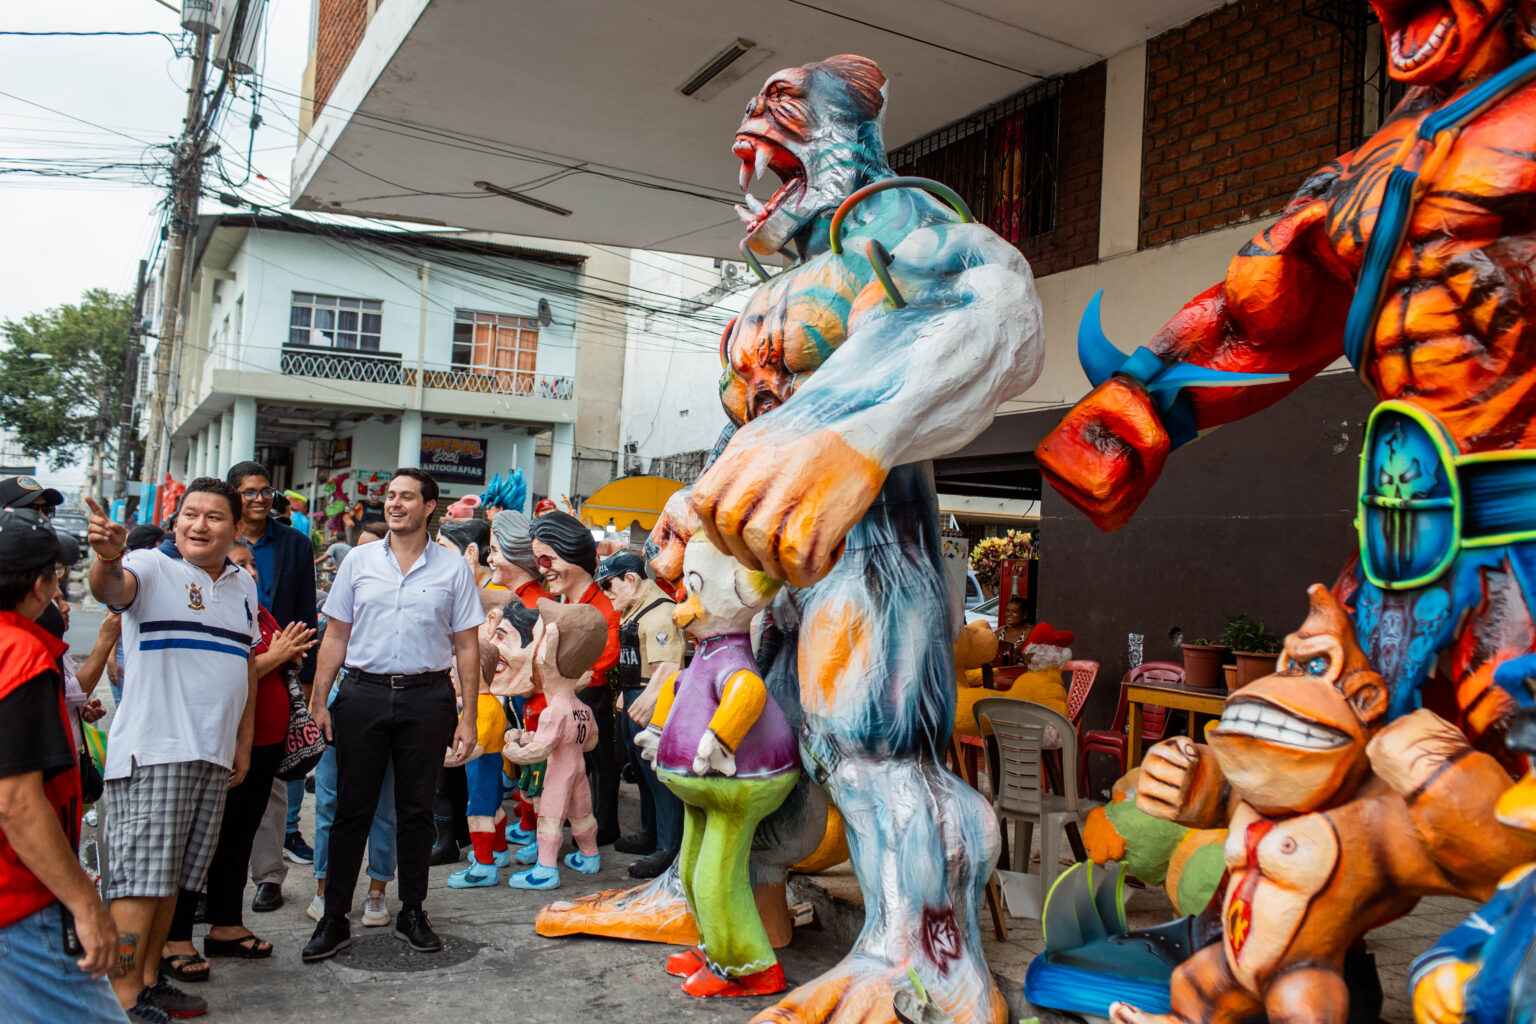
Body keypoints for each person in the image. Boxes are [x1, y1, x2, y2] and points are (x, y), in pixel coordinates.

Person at [85, 483, 258, 1022]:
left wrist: (242, 743)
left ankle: (148, 979)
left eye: (212, 517)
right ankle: (121, 998)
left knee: (175, 881)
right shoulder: (150, 566)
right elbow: (110, 586)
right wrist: (108, 555)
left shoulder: (243, 585)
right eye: (189, 515)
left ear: (235, 528)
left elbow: (244, 666)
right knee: (140, 880)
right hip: (155, 752)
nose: (198, 525)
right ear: (175, 520)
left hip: (210, 754)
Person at [302, 467, 483, 962]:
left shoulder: (452, 569)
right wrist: (319, 700)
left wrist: (467, 715)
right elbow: (335, 634)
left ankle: (412, 911)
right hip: (360, 695)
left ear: (430, 507)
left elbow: (466, 645)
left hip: (427, 699)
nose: (395, 503)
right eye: (390, 496)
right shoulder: (358, 561)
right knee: (350, 811)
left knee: (416, 812)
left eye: (407, 497)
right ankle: (334, 917)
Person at [160, 541, 316, 983]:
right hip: (222, 744)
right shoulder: (206, 608)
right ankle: (176, 936)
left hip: (261, 744)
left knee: (237, 839)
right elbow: (233, 669)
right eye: (238, 563)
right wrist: (282, 654)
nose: (248, 570)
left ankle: (227, 925)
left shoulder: (255, 607)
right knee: (199, 844)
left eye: (251, 563)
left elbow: (268, 656)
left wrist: (289, 653)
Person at [0, 507, 125, 1024]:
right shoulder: (23, 658)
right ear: (37, 586)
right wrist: (86, 904)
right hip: (23, 898)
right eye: (56, 577)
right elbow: (17, 803)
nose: (60, 591)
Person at [226, 460, 318, 915]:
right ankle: (210, 884)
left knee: (269, 783)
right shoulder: (215, 537)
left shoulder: (295, 544)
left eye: (265, 491)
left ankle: (268, 876)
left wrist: (304, 678)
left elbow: (305, 610)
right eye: (249, 491)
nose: (259, 498)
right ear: (233, 495)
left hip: (277, 670)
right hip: (221, 670)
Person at [529, 511, 622, 845]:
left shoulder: (601, 606)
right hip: (569, 695)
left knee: (599, 764)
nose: (542, 567)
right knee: (576, 765)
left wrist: (568, 670)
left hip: (592, 697)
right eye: (538, 558)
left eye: (547, 558)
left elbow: (607, 653)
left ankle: (605, 823)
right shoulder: (566, 601)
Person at [596, 552, 685, 878]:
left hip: (654, 700)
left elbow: (669, 667)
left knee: (658, 776)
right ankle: (650, 832)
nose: (607, 593)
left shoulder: (661, 615)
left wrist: (647, 700)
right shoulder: (634, 609)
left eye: (609, 585)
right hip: (635, 695)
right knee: (641, 771)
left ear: (630, 579)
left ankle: (669, 845)